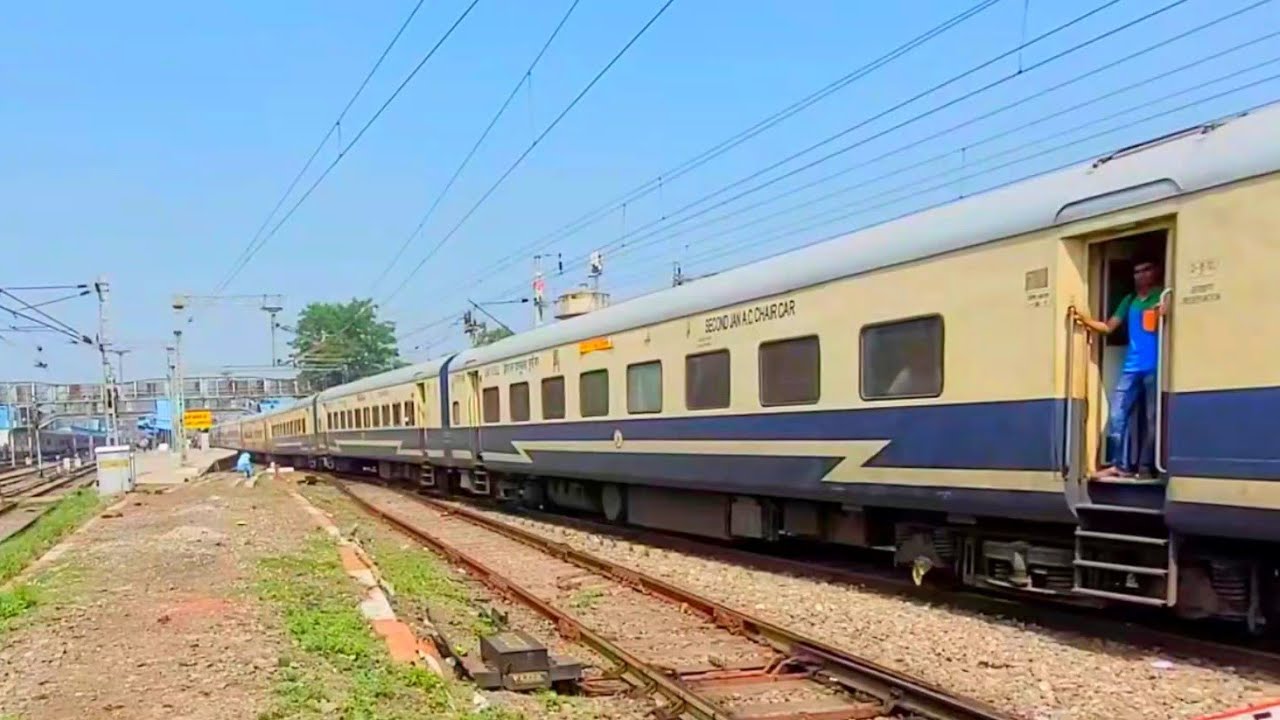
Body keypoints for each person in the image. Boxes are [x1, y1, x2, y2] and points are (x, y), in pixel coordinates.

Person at [1073, 259, 1167, 478]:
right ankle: (1120, 465)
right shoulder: (1130, 300)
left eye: (1145, 270)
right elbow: (1108, 327)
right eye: (1136, 272)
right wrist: (1084, 320)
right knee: (1117, 415)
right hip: (1131, 367)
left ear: (1156, 272)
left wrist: (1165, 311)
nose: (1140, 275)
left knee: (1153, 419)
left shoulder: (1162, 296)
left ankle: (1147, 467)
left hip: (1155, 366)